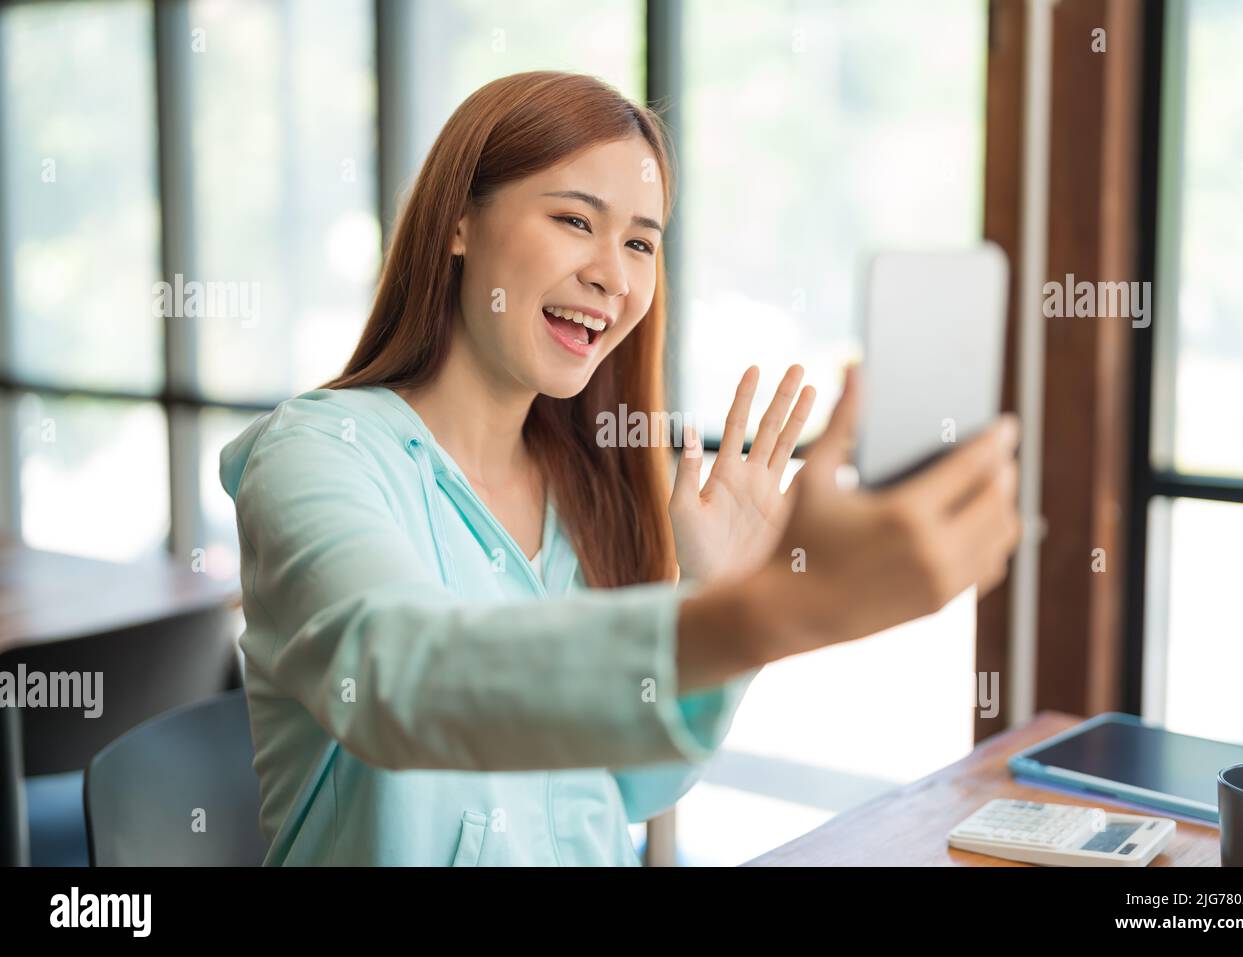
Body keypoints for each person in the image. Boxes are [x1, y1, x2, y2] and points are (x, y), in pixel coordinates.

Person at [218, 70, 1022, 866]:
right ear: (459, 223)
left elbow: (633, 787)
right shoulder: (318, 454)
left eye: (641, 241)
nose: (614, 274)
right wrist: (766, 611)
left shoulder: (586, 486)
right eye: (574, 220)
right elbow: (395, 677)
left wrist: (715, 590)